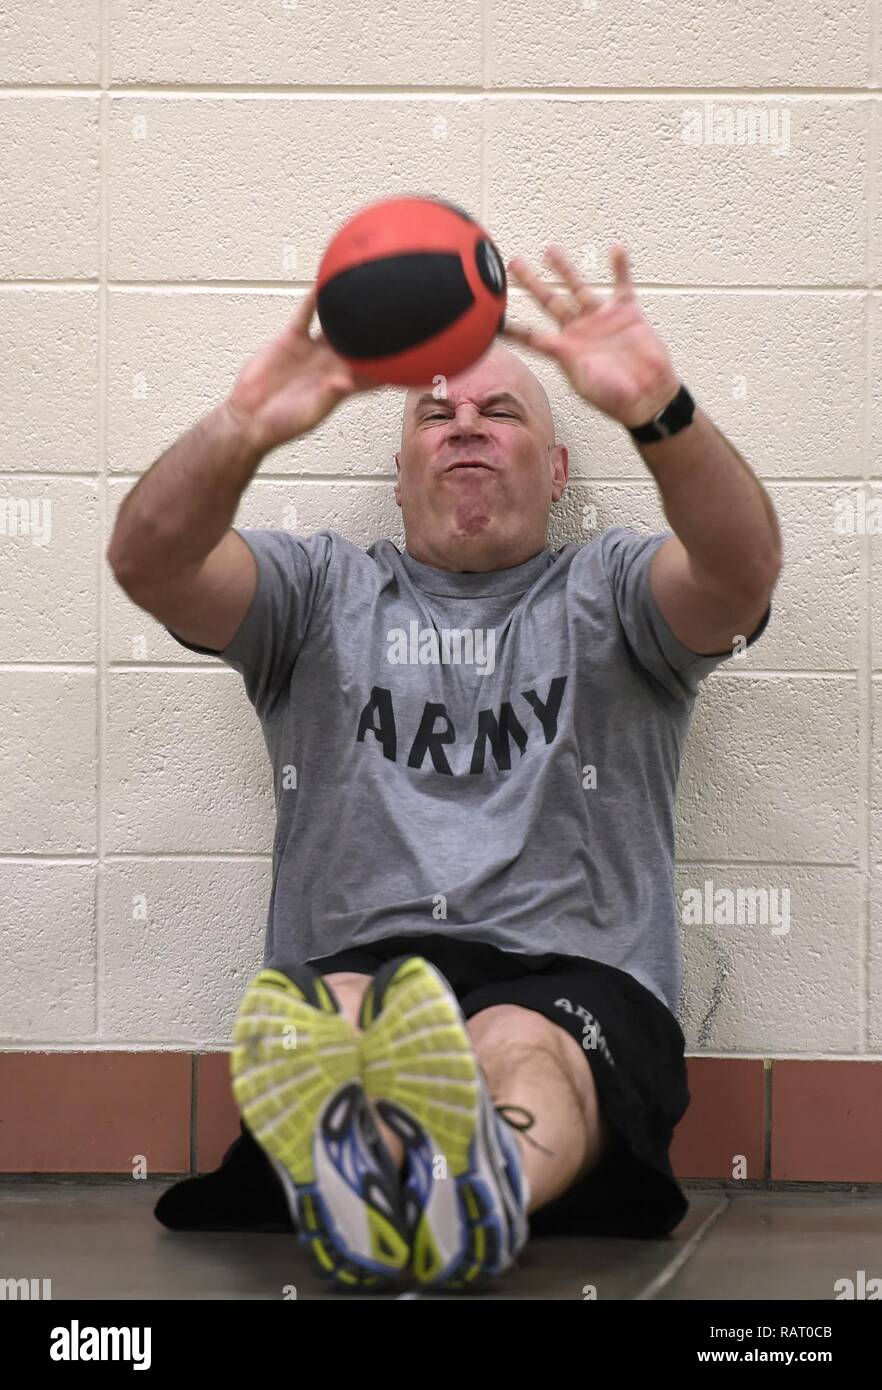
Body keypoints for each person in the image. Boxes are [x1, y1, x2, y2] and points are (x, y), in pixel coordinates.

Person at [107, 242, 781, 1293]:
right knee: (336, 1010)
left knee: (515, 1031)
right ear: (400, 469)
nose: (466, 422)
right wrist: (242, 427)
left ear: (557, 472)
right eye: (435, 413)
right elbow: (149, 561)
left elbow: (740, 576)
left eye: (502, 412)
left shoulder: (611, 589)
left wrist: (660, 406)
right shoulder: (316, 592)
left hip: (576, 981)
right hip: (359, 970)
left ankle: (467, 1189)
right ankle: (386, 1184)